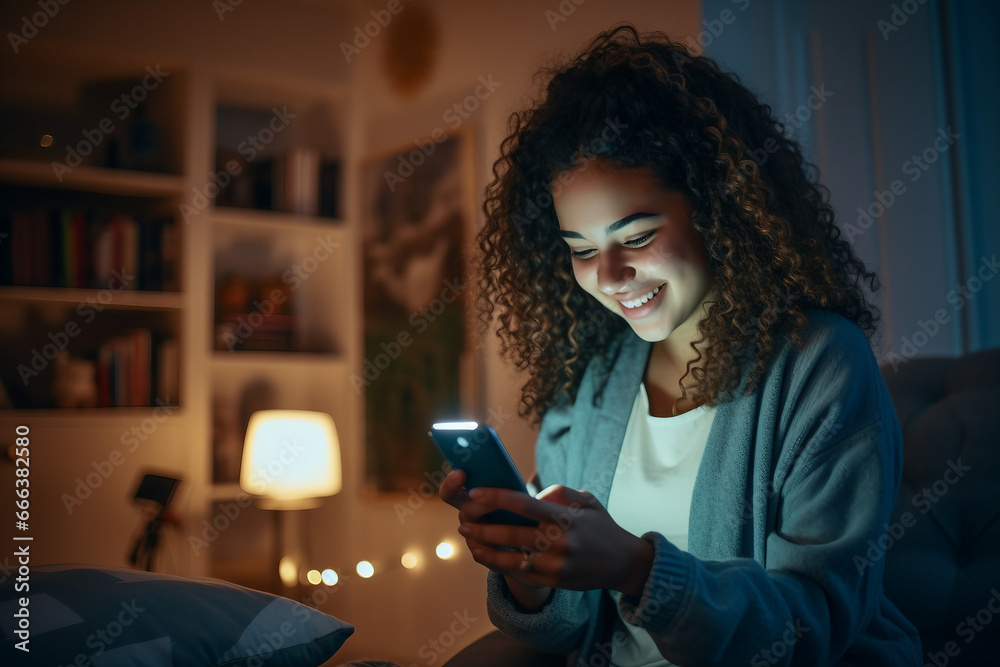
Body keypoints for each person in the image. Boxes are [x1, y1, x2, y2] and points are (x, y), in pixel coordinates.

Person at [439, 24, 923, 667]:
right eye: (581, 250)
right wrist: (530, 568)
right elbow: (566, 632)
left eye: (635, 237)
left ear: (717, 207)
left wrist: (639, 570)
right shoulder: (599, 383)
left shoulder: (821, 363)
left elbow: (815, 624)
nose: (607, 277)